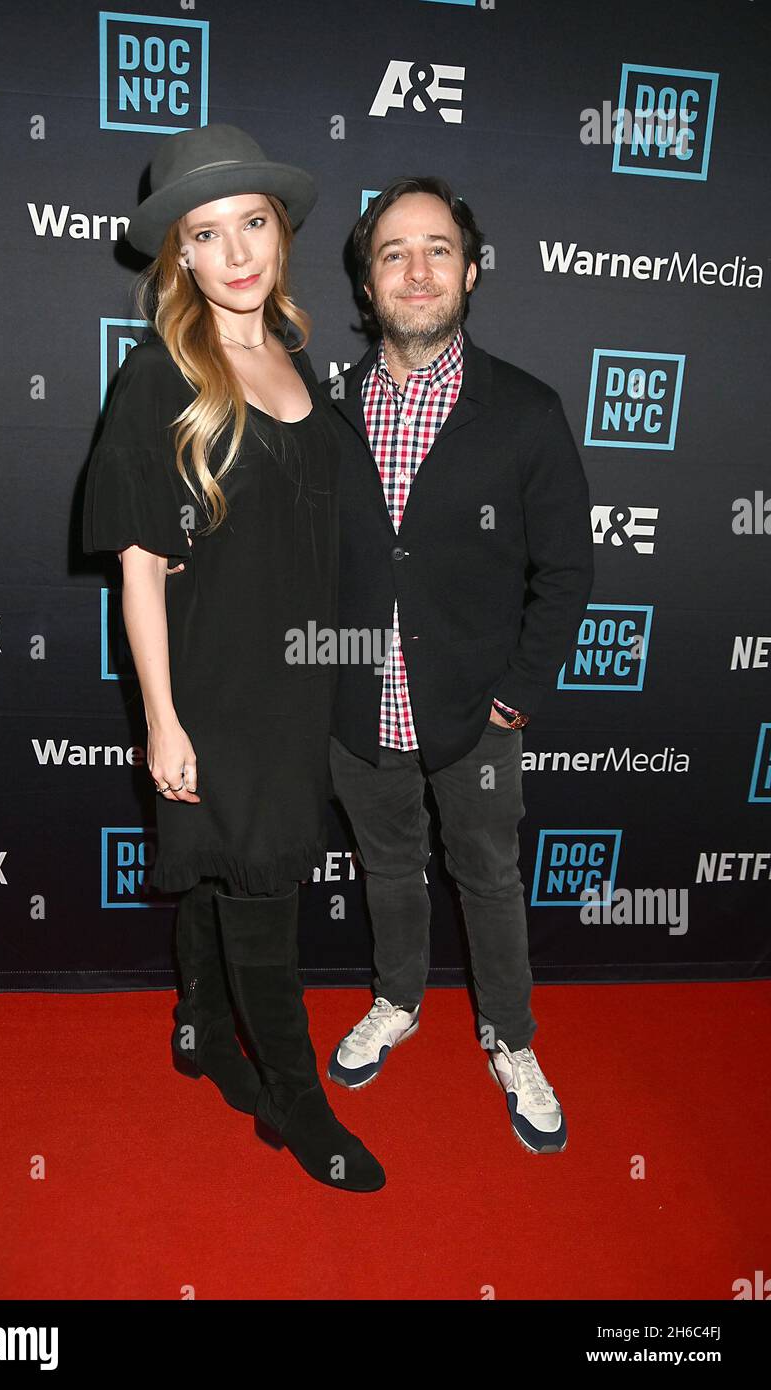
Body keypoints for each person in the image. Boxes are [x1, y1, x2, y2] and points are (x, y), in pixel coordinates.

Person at [81, 125, 384, 1192]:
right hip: (216, 685)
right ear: (180, 255)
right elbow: (140, 569)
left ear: (280, 234)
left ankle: (204, 1027)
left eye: (252, 222)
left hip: (298, 684)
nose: (237, 250)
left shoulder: (296, 361)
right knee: (262, 889)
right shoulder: (158, 377)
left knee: (229, 868)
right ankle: (298, 1103)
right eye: (206, 233)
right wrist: (164, 720)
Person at [322, 176, 595, 1154]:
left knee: (488, 878)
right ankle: (398, 998)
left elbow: (567, 570)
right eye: (393, 252)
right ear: (367, 282)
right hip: (356, 708)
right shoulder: (325, 408)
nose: (417, 269)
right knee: (390, 868)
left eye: (438, 248)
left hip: (477, 714)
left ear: (471, 271)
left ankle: (511, 1039)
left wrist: (514, 698)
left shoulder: (524, 409)